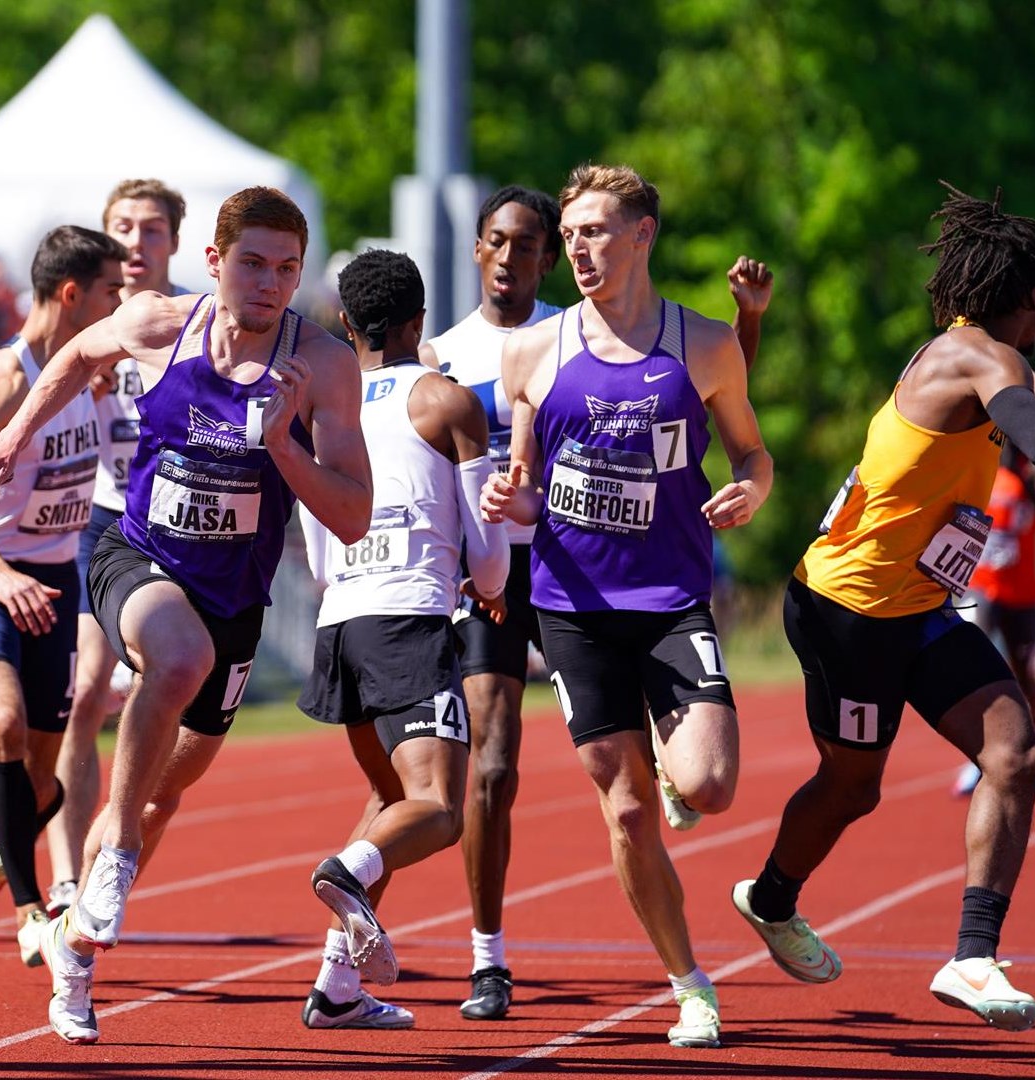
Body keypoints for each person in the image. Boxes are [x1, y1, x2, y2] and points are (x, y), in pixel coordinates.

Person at [0, 186, 371, 1044]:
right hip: (134, 555)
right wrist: (11, 443)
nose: (267, 283)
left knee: (158, 794)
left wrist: (287, 444)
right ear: (215, 262)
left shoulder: (323, 366)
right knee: (172, 661)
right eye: (251, 263)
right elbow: (71, 358)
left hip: (236, 597)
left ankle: (74, 958)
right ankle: (111, 867)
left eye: (286, 269)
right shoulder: (158, 323)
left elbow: (352, 514)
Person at [733, 184, 1035, 1034]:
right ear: (1027, 301)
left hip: (917, 607)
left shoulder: (977, 362)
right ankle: (772, 897)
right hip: (845, 608)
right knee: (852, 789)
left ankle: (972, 955)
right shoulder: (981, 357)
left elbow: (1016, 422)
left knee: (1018, 752)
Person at [482, 163, 773, 1049]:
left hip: (671, 599)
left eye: (597, 231)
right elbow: (525, 482)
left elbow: (753, 456)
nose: (579, 248)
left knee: (710, 787)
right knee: (628, 808)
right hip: (571, 603)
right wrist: (511, 501)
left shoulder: (705, 346)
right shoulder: (534, 351)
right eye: (570, 235)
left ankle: (673, 750)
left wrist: (749, 493)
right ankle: (690, 985)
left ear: (643, 234)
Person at [294, 249, 511, 1030]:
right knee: (439, 809)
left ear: (345, 324)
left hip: (341, 621)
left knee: (390, 799)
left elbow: (319, 543)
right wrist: (487, 592)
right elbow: (487, 553)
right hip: (412, 617)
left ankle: (336, 989)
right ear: (420, 319)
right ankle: (342, 871)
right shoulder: (445, 401)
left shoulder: (328, 411)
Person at [0, 226, 125, 964]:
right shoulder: (5, 379)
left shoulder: (84, 369)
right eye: (111, 291)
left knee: (43, 778)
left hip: (56, 584)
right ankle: (28, 909)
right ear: (72, 294)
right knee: (4, 721)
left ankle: (4, 844)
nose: (121, 303)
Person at [23, 179, 192, 919]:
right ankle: (65, 877)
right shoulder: (89, 318)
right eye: (121, 226)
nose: (135, 240)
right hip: (106, 518)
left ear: (175, 243)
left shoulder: (193, 317)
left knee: (177, 718)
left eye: (150, 228)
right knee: (86, 691)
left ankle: (107, 843)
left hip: (183, 526)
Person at [418, 184, 564, 1021]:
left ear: (548, 258)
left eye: (528, 245)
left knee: (617, 766)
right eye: (499, 241)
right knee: (495, 765)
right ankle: (488, 960)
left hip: (573, 569)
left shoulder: (570, 341)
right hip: (487, 577)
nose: (511, 257)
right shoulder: (439, 357)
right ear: (478, 250)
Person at [952, 443, 1035, 797]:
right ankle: (980, 753)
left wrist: (1023, 477)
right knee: (970, 663)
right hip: (982, 587)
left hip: (1022, 593)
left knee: (1024, 673)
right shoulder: (977, 466)